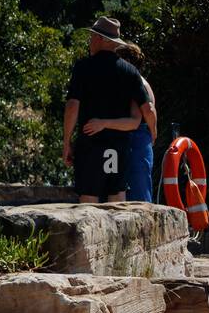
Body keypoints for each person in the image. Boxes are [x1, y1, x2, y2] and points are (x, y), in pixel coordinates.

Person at [63, 17, 152, 203]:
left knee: (89, 200)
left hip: (91, 146)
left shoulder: (83, 68)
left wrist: (67, 142)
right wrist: (154, 132)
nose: (91, 40)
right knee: (117, 199)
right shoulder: (130, 72)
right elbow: (146, 110)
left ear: (102, 39)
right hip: (119, 148)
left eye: (93, 36)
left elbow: (72, 107)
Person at [115, 42, 157, 202]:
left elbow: (148, 110)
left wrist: (152, 133)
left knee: (138, 193)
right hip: (141, 139)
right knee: (137, 188)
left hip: (136, 140)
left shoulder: (135, 82)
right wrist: (153, 132)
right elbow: (152, 111)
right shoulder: (141, 81)